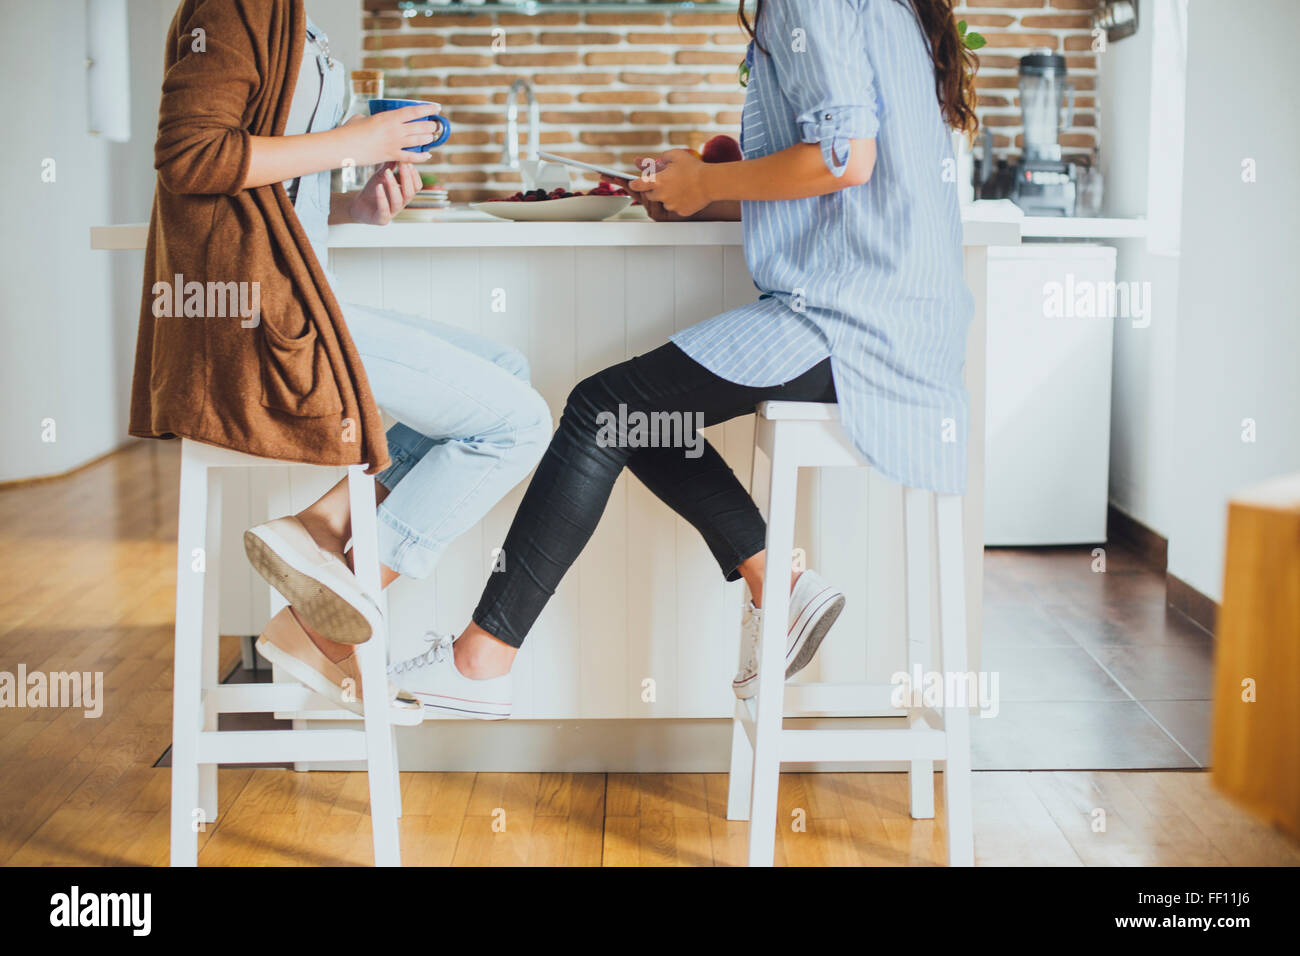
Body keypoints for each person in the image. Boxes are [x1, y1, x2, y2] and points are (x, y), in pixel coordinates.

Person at [389, 0, 979, 719]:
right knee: (632, 414)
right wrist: (704, 195)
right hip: (901, 321)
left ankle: (481, 662)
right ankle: (777, 584)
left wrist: (709, 182)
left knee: (605, 412)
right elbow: (848, 192)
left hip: (850, 323)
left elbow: (843, 158)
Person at [134, 0, 552, 715]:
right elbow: (191, 154)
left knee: (505, 373)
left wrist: (353, 205)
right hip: (249, 319)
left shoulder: (295, 16)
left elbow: (270, 193)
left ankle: (321, 529)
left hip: (289, 297)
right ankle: (318, 630)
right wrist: (355, 141)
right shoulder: (234, 7)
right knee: (516, 426)